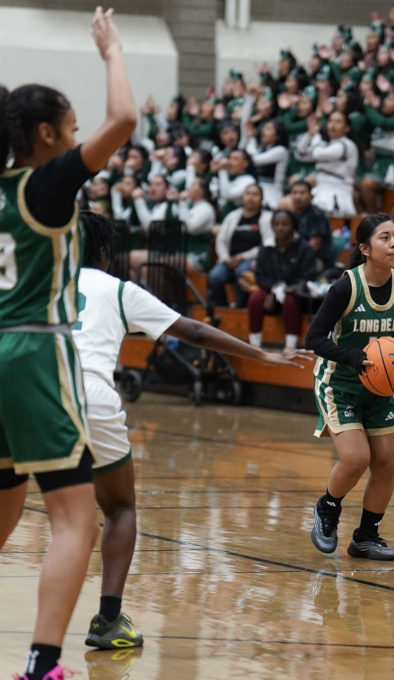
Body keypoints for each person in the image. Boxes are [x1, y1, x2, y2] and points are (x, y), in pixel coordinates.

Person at [73, 211, 313, 652]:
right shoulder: (118, 289)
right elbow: (196, 330)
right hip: (91, 395)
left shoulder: (37, 285)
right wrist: (262, 355)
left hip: (33, 387)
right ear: (105, 252)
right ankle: (108, 620)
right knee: (120, 507)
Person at [0, 9, 136, 680]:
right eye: (72, 129)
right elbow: (126, 122)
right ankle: (43, 665)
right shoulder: (45, 186)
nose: (80, 139)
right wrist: (111, 50)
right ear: (47, 134)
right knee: (73, 519)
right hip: (31, 354)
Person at [304, 213, 394, 561]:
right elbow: (313, 338)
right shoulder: (345, 287)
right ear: (364, 248)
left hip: (381, 388)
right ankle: (328, 508)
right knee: (357, 458)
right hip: (339, 383)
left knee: (386, 462)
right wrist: (354, 358)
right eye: (384, 238)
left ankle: (366, 536)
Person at [243, 210, 317, 351]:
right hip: (271, 291)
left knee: (290, 301)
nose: (280, 228)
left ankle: (290, 345)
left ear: (293, 226)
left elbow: (308, 276)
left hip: (294, 293)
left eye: (285, 224)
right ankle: (254, 343)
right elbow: (259, 275)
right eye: (276, 224)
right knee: (255, 298)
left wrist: (286, 289)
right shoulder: (266, 248)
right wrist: (273, 289)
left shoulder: (304, 248)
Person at [208, 183, 274, 308]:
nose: (250, 197)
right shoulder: (233, 215)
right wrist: (225, 258)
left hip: (252, 259)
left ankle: (240, 307)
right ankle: (222, 308)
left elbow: (267, 243)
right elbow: (221, 240)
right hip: (229, 259)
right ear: (243, 197)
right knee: (214, 276)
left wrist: (243, 256)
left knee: (242, 272)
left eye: (255, 194)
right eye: (248, 194)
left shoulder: (267, 218)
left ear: (261, 198)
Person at [296, 110, 359, 216]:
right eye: (330, 121)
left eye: (338, 122)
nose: (332, 125)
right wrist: (309, 135)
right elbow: (300, 155)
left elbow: (317, 154)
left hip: (337, 192)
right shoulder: (325, 144)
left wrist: (316, 138)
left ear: (347, 128)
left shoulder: (347, 145)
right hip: (320, 189)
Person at [289, 179, 335, 270]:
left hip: (315, 261)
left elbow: (314, 246)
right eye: (295, 193)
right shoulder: (292, 215)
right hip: (295, 257)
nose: (298, 196)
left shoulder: (317, 215)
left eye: (302, 193)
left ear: (311, 196)